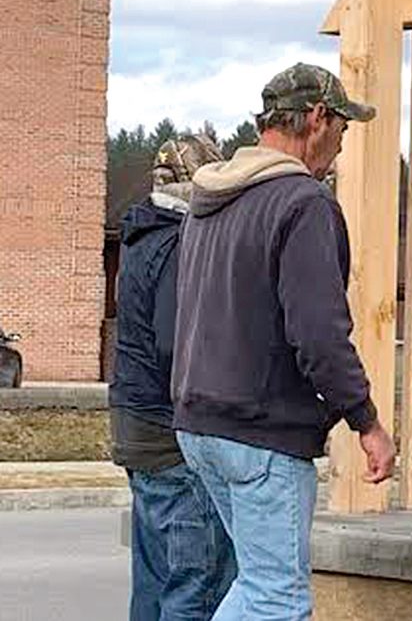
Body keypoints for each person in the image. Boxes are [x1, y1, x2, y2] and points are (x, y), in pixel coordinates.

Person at [172, 62, 397, 620]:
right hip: (261, 432)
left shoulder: (210, 202)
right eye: (342, 131)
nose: (340, 150)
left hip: (199, 426)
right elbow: (320, 335)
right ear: (317, 118)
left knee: (257, 585)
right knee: (277, 596)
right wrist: (366, 422)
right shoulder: (304, 203)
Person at [109, 134, 236, 620]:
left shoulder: (140, 239)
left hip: (137, 431)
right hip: (171, 438)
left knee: (155, 580)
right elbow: (173, 343)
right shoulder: (180, 243)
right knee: (197, 585)